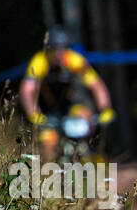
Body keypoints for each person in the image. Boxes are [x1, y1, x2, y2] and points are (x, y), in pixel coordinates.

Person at [18, 26, 115, 162]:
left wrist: (105, 109)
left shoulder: (75, 60)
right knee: (48, 141)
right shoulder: (40, 61)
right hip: (47, 110)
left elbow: (96, 85)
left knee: (87, 121)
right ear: (49, 49)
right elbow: (27, 90)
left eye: (64, 48)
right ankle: (51, 173)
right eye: (56, 49)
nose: (60, 53)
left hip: (71, 105)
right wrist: (33, 113)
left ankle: (89, 158)